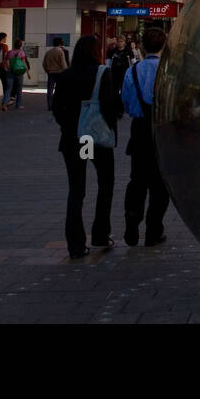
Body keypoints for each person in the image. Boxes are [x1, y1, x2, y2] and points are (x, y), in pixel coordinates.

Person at [52, 35, 121, 259]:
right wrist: (109, 127)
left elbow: (57, 108)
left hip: (73, 140)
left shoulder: (65, 76)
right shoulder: (103, 73)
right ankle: (100, 232)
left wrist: (69, 126)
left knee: (77, 190)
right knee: (106, 183)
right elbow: (111, 107)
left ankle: (76, 244)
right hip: (95, 140)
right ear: (95, 51)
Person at [121, 26, 170, 247]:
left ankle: (132, 219)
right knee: (160, 185)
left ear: (142, 45)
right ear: (164, 45)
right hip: (162, 131)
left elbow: (127, 104)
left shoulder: (132, 71)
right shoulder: (168, 71)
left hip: (139, 130)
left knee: (137, 181)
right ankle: (154, 230)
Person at [1, 38, 31, 111]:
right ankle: (18, 105)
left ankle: (4, 104)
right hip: (19, 73)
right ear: (20, 46)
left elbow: (5, 62)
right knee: (19, 89)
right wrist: (28, 73)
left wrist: (7, 68)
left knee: (8, 89)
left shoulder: (9, 52)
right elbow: (24, 63)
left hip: (10, 72)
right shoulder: (21, 53)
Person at [43, 38, 69, 112]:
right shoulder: (60, 52)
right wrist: (66, 72)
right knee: (60, 89)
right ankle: (59, 104)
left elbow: (44, 64)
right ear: (60, 44)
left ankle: (50, 105)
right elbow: (63, 64)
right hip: (60, 73)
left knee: (50, 90)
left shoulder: (48, 52)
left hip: (51, 73)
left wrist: (47, 70)